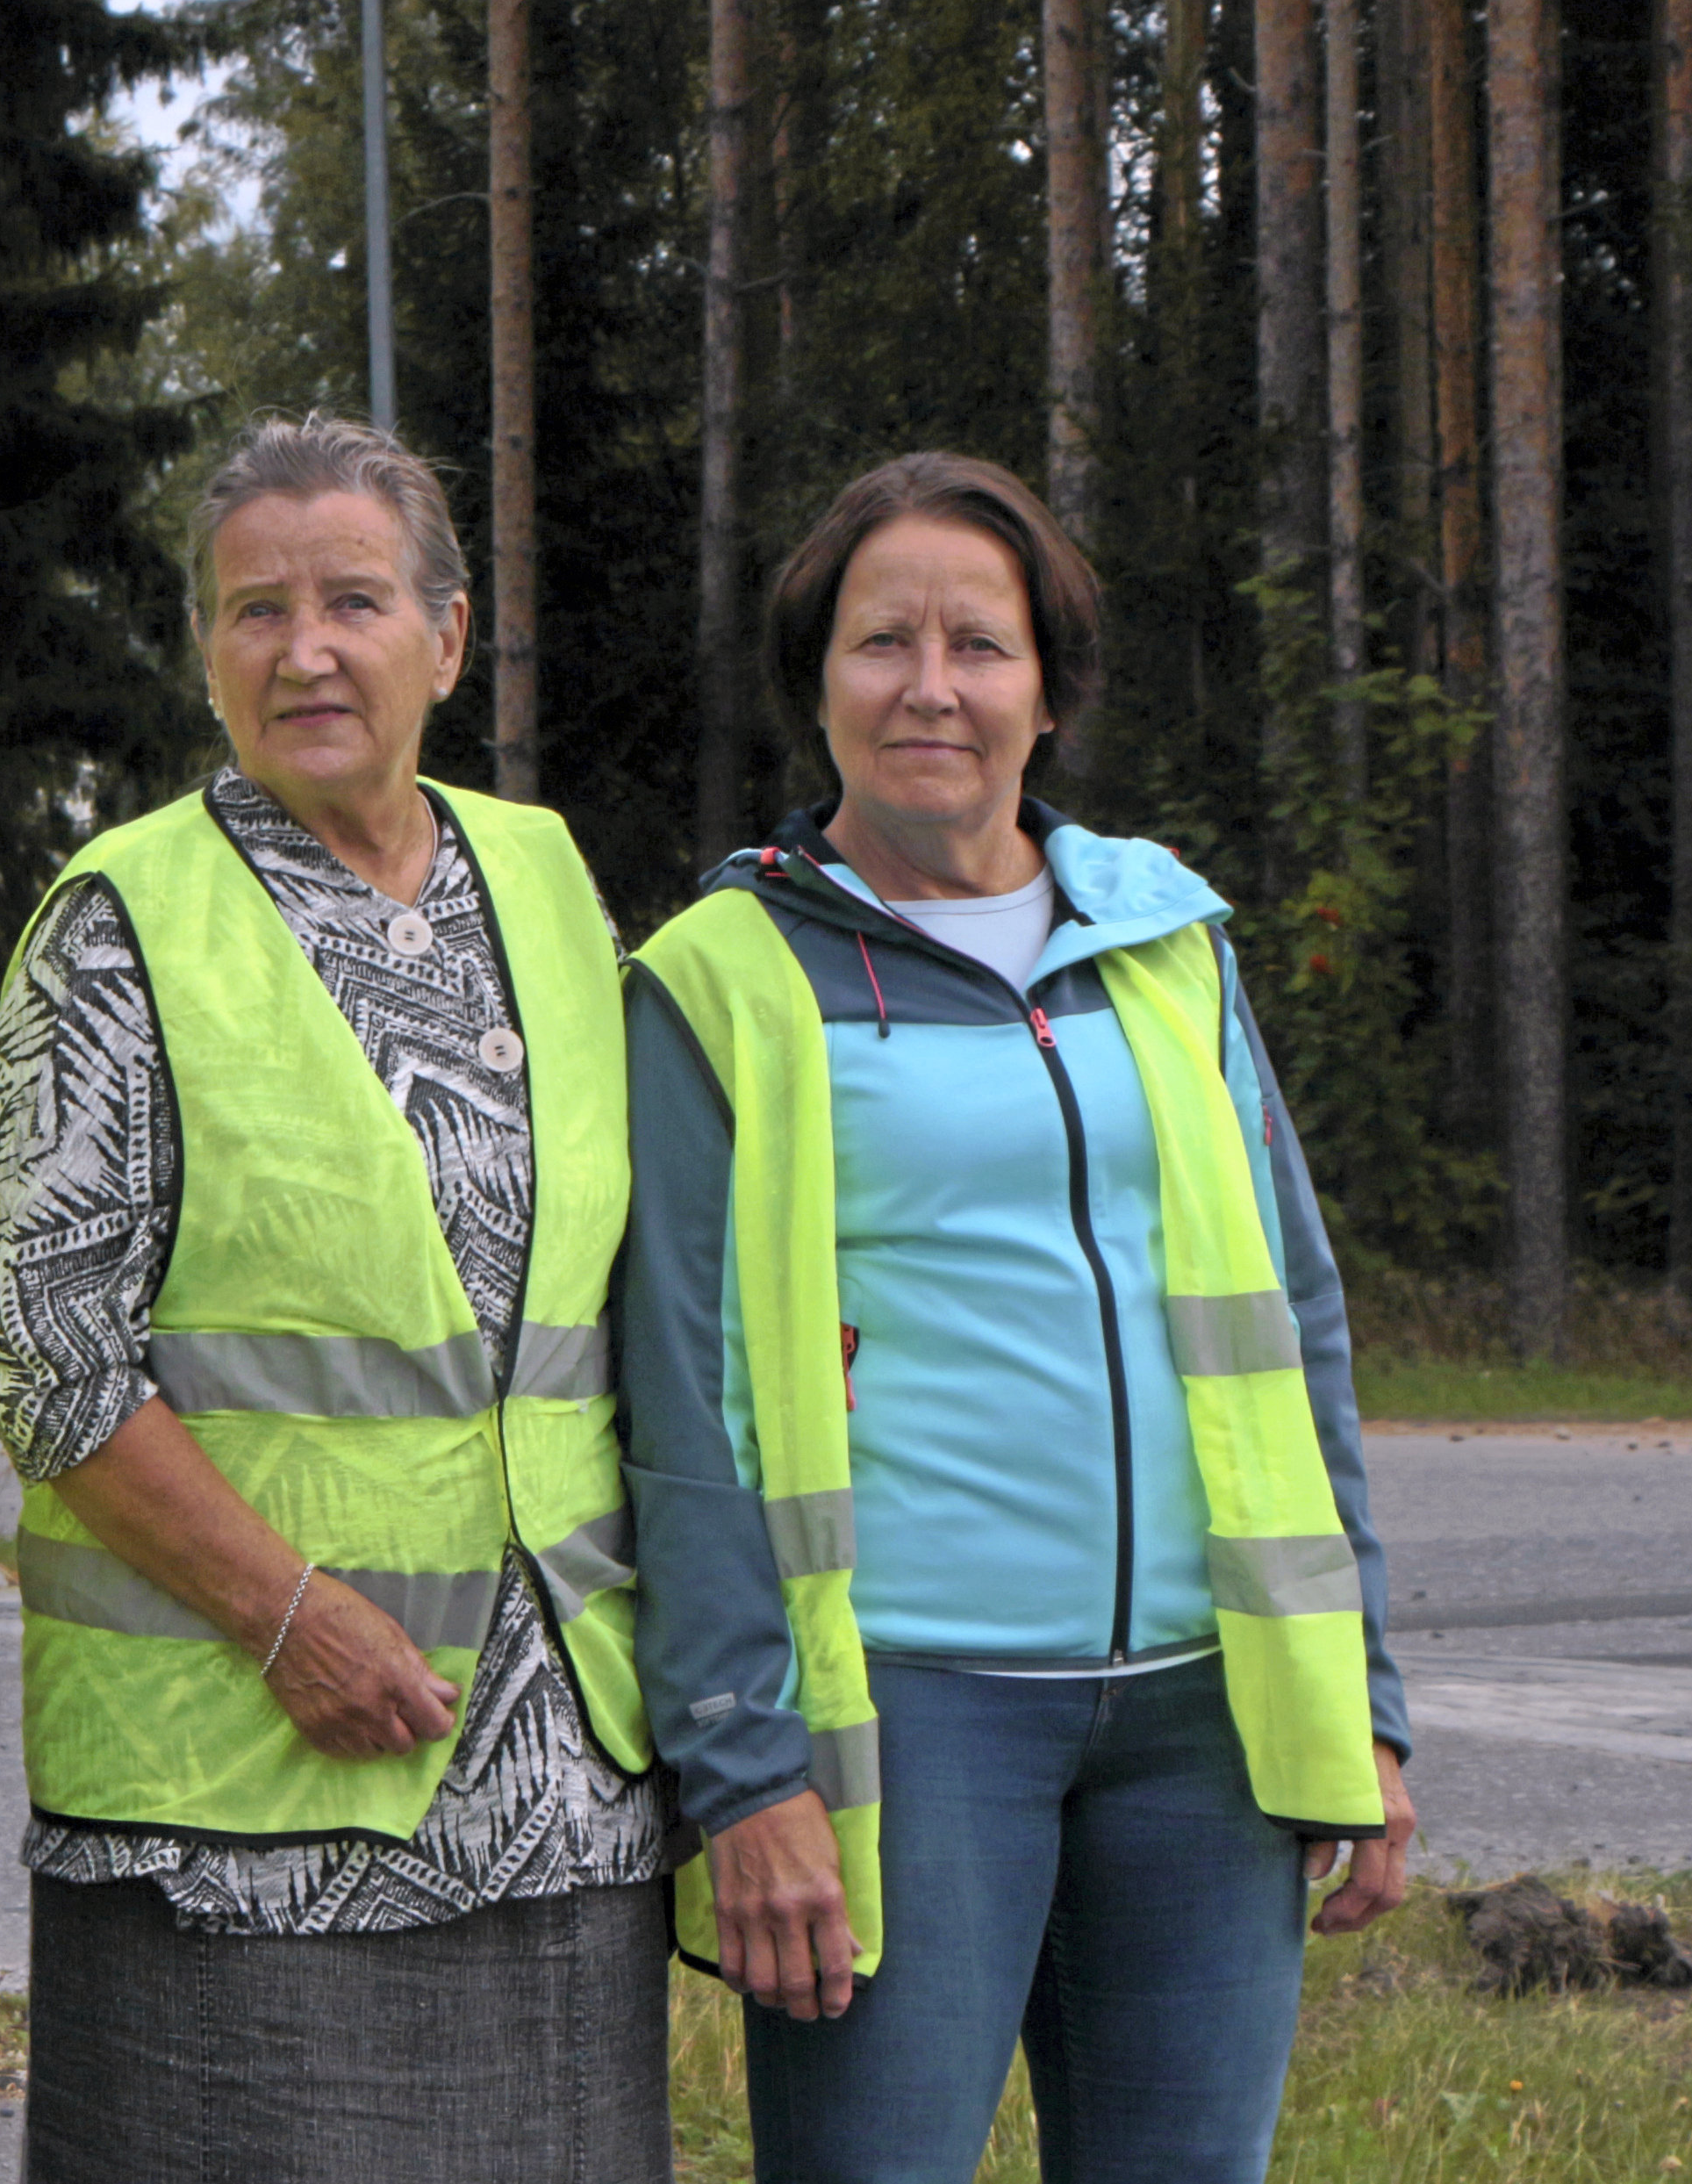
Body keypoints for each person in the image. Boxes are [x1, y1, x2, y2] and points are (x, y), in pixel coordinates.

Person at [619, 452, 1417, 2182]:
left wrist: (1357, 1690)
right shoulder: (716, 973)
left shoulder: (1164, 945)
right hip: (909, 1721)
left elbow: (1290, 1318)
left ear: (1044, 690)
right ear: (813, 684)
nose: (928, 687)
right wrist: (741, 1775)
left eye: (976, 644)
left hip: (1205, 1724)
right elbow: (678, 1410)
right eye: (878, 642)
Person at [0, 414, 670, 2182]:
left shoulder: (545, 877)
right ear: (204, 652)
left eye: (350, 600)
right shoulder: (123, 922)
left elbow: (617, 1268)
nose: (302, 650)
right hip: (241, 1802)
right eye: (249, 611)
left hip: (555, 1791)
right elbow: (41, 1350)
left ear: (445, 631)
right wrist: (283, 1616)